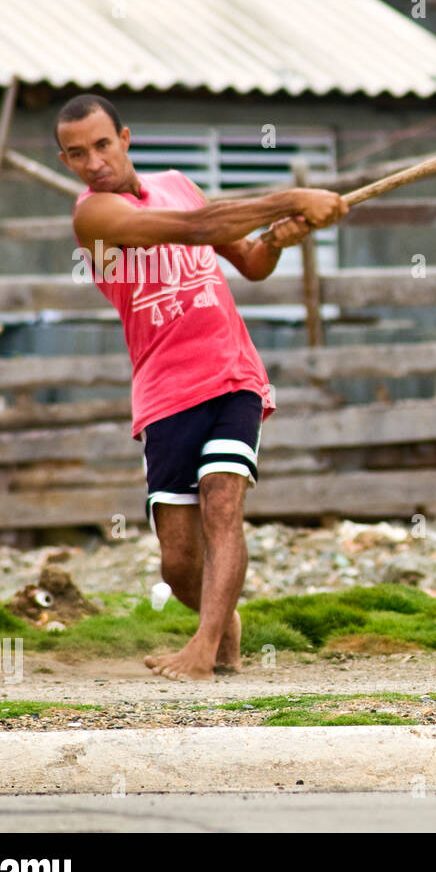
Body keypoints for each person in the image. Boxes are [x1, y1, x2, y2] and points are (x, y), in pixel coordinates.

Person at [57, 94, 348, 681]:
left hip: (231, 372)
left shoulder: (177, 183)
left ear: (126, 138)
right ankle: (225, 623)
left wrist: (278, 237)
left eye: (102, 145)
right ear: (66, 162)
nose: (93, 161)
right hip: (164, 391)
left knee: (223, 500)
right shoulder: (94, 217)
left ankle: (205, 643)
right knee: (178, 564)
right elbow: (196, 228)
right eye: (76, 154)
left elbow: (250, 261)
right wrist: (292, 198)